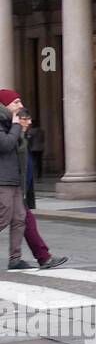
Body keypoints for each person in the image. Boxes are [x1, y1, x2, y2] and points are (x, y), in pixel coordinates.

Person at [13, 109, 65, 270]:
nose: (29, 122)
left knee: (26, 222)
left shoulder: (21, 137)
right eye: (25, 119)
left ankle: (40, 258)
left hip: (18, 190)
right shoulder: (11, 137)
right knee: (23, 222)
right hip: (9, 189)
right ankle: (41, 258)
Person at [0, 89, 32, 271]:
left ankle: (15, 259)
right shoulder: (4, 122)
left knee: (20, 218)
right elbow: (5, 145)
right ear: (5, 105)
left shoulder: (10, 123)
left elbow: (18, 147)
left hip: (14, 179)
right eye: (16, 102)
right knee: (3, 218)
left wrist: (22, 129)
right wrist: (16, 126)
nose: (21, 106)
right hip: (2, 179)